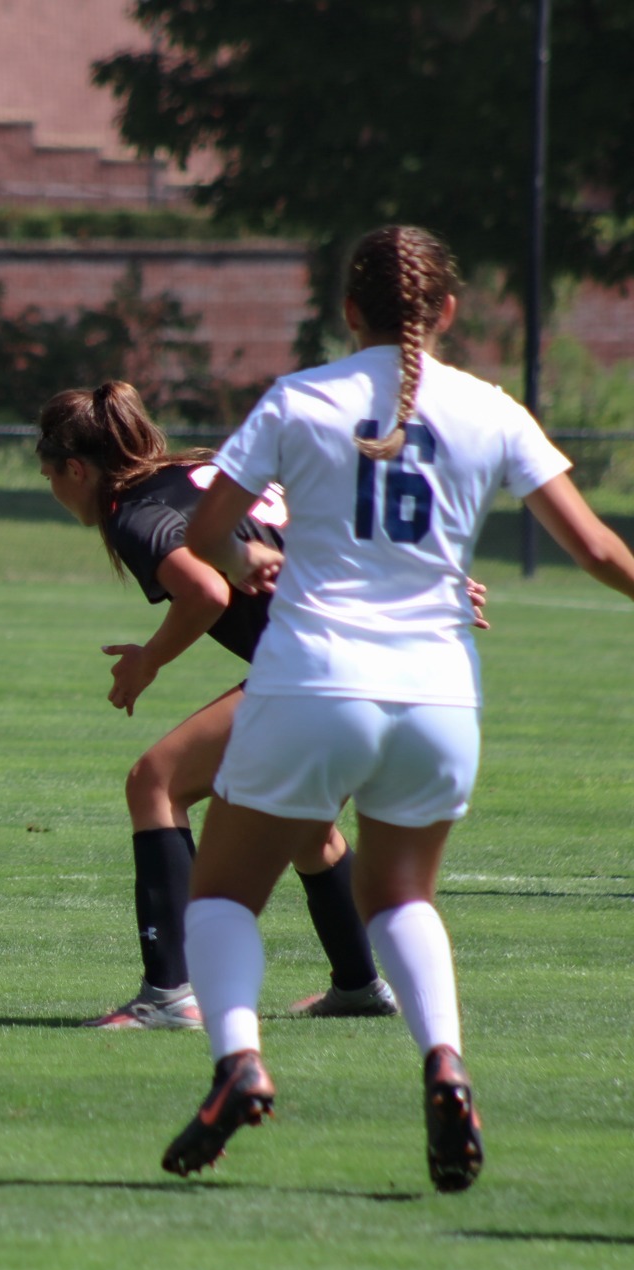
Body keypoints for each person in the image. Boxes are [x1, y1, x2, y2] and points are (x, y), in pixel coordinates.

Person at [159, 225, 634, 1192]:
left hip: (311, 682)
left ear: (348, 310)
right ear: (449, 310)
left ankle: (239, 1060)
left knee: (217, 895)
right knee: (403, 897)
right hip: (438, 694)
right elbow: (597, 551)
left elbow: (207, 535)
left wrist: (253, 555)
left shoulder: (301, 398)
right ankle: (444, 1061)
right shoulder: (490, 409)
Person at [36, 382, 400, 1030]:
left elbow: (206, 591)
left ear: (74, 468)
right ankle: (359, 984)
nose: (56, 493)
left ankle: (169, 994)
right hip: (385, 655)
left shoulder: (134, 511)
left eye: (50, 476)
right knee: (305, 823)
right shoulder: (193, 472)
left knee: (155, 781)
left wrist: (149, 659)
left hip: (322, 663)